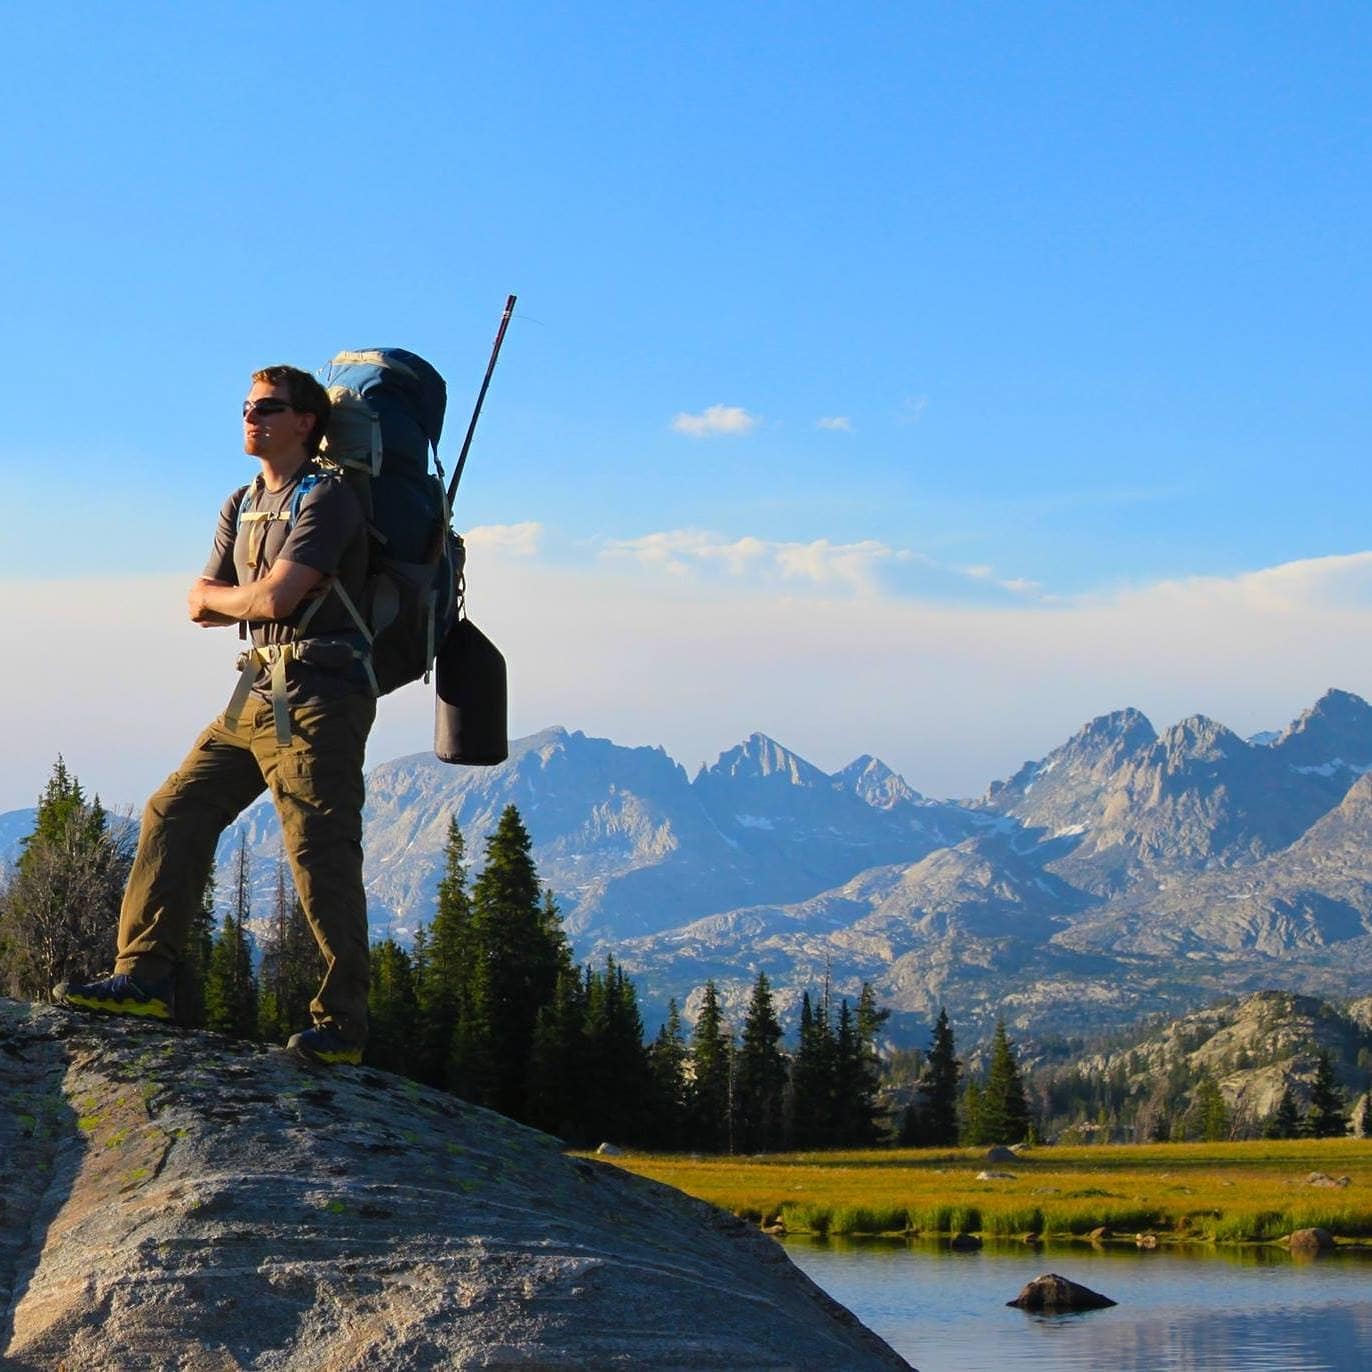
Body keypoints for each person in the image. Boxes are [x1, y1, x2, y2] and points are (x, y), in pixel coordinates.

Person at [57, 365, 374, 1065]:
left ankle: (342, 1023)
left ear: (306, 423)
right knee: (175, 809)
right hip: (256, 689)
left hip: (322, 694)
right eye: (246, 406)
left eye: (268, 407)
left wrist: (245, 596)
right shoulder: (242, 501)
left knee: (319, 848)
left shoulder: (329, 500)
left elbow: (271, 601)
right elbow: (200, 601)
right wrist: (247, 596)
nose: (251, 417)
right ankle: (143, 978)